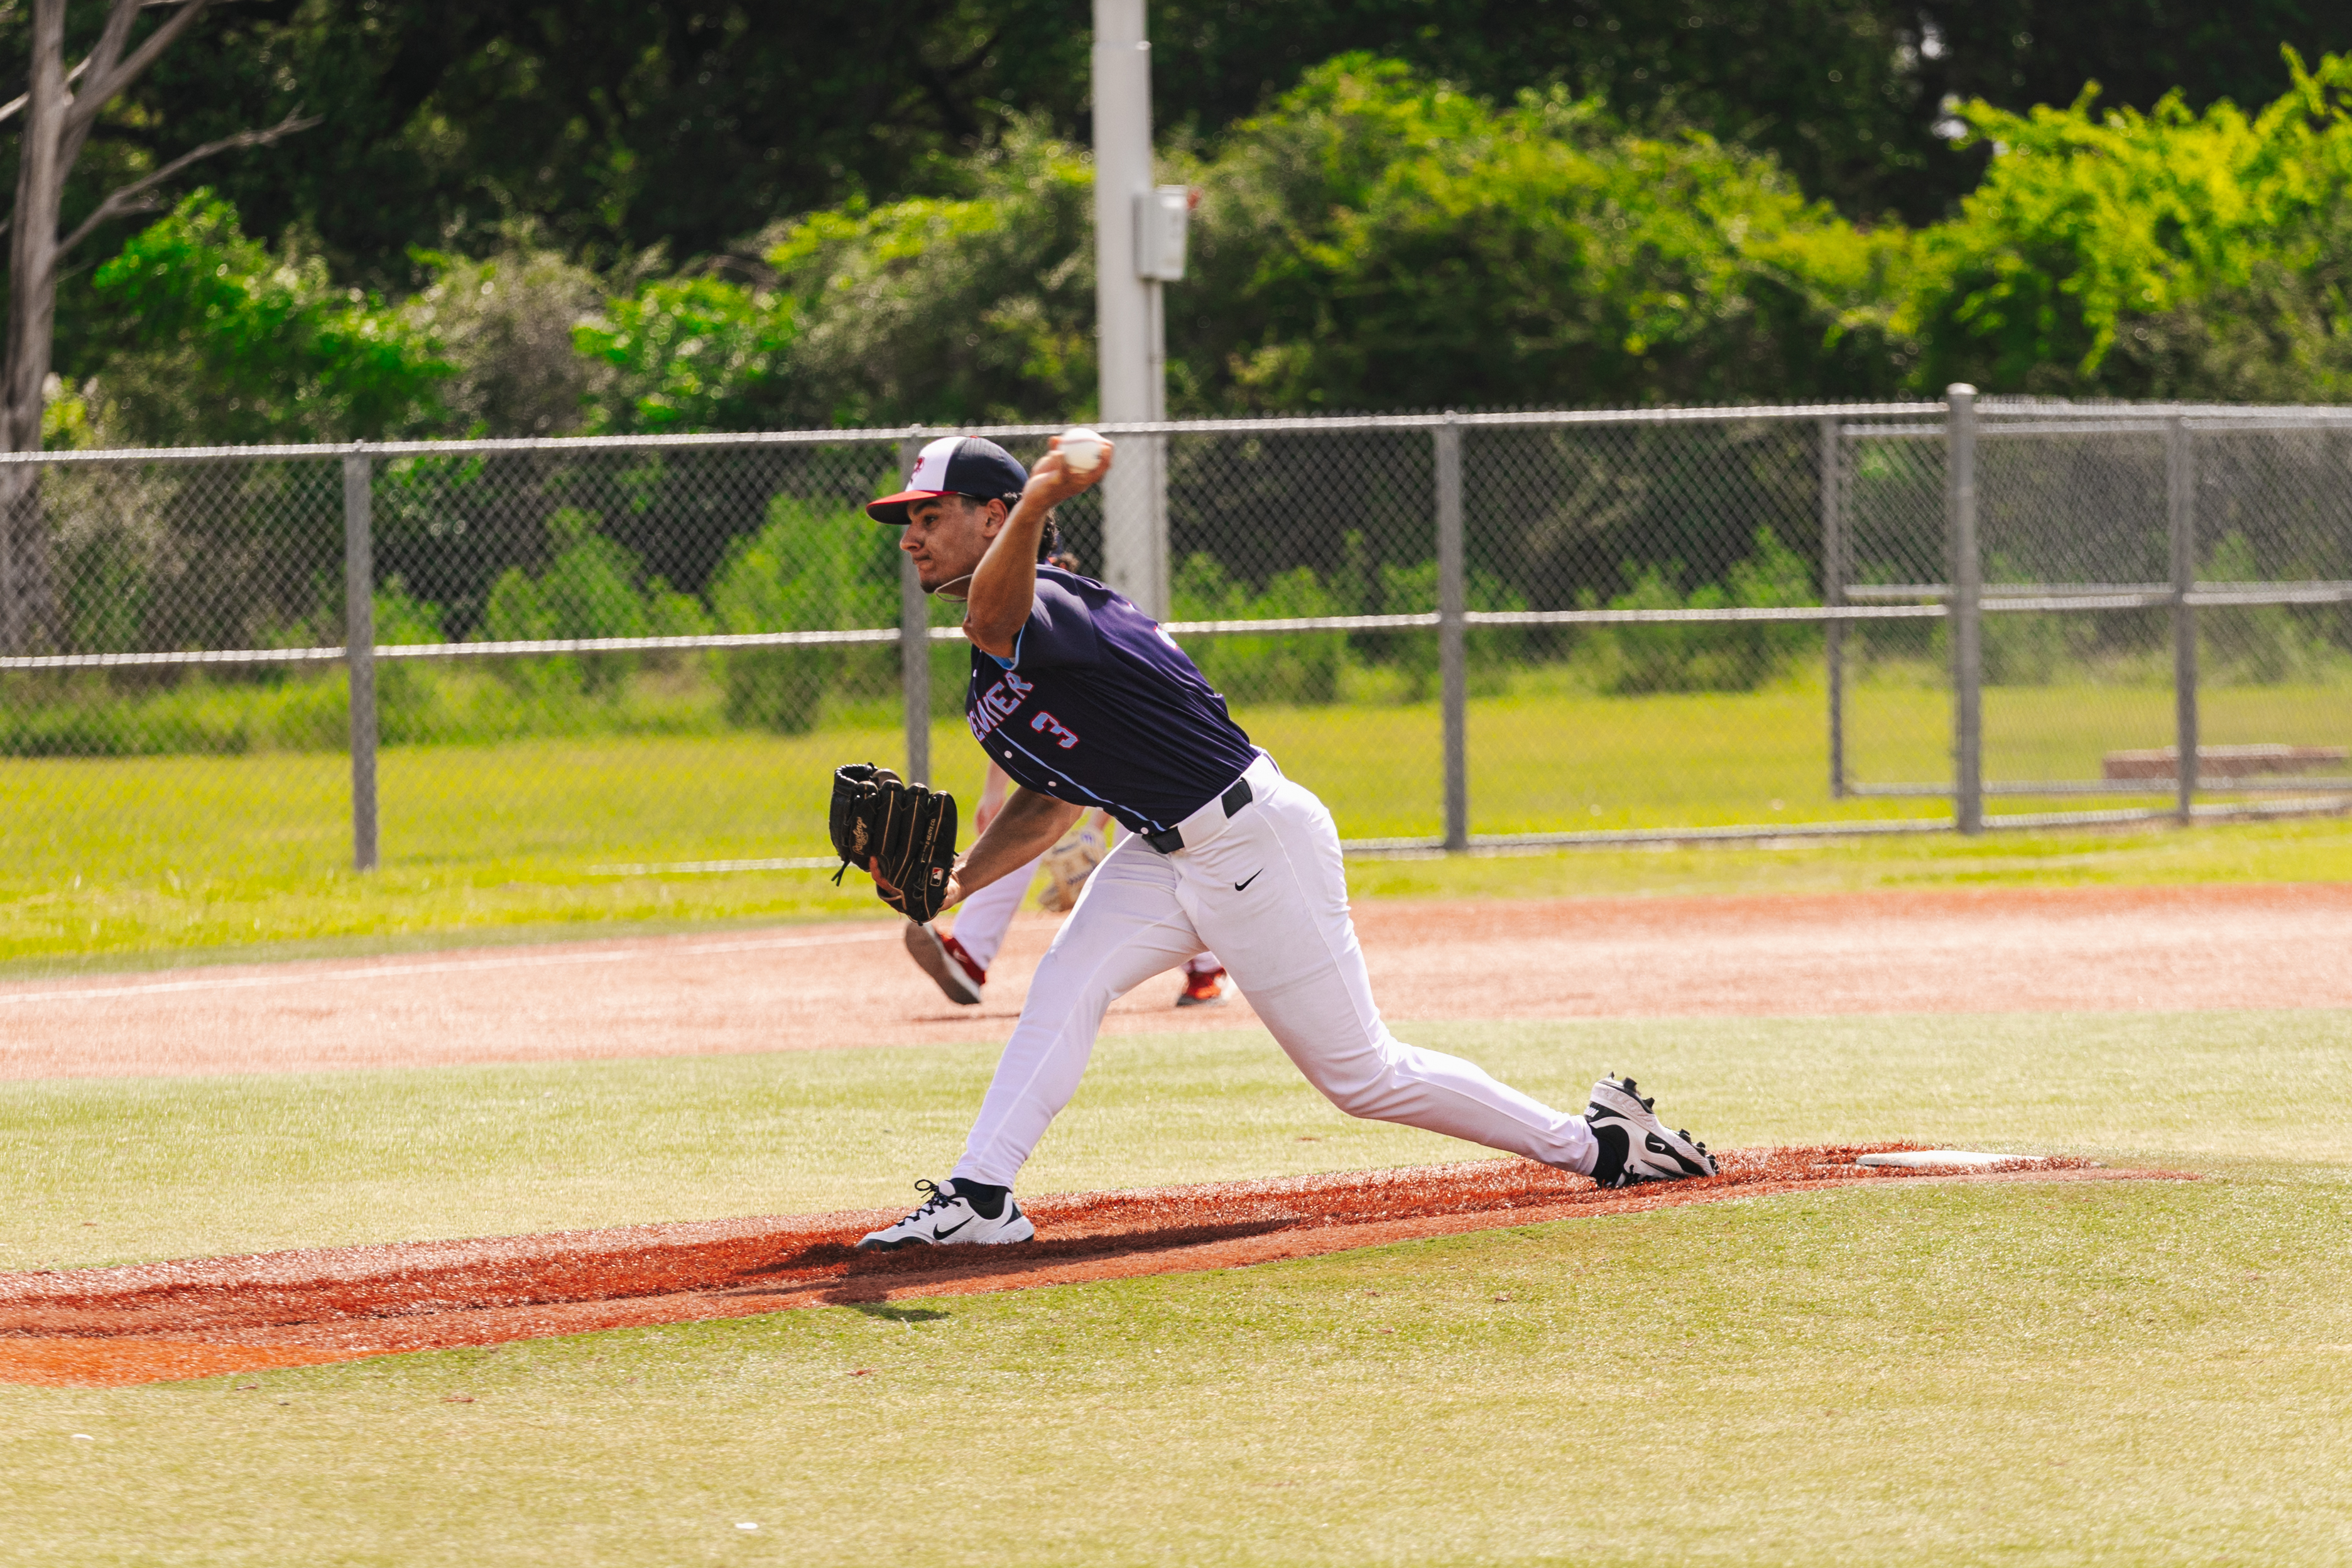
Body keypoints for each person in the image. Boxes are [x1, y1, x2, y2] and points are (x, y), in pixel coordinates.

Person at [854, 434, 1715, 1251]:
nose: (911, 539)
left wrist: (1041, 494)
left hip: (1251, 841)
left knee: (1363, 1078)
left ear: (995, 517)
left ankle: (1603, 1146)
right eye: (911, 523)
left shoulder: (1048, 605)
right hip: (1163, 852)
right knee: (1065, 986)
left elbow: (995, 615)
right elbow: (1049, 802)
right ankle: (981, 1196)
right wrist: (955, 883)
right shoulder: (1002, 650)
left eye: (930, 516)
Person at [903, 758, 1229, 1009]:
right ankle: (969, 953)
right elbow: (1010, 721)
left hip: (1155, 762)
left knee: (1139, 851)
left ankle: (1208, 966)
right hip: (1084, 755)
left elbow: (1118, 748)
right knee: (1019, 828)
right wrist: (994, 792)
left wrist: (1094, 831)